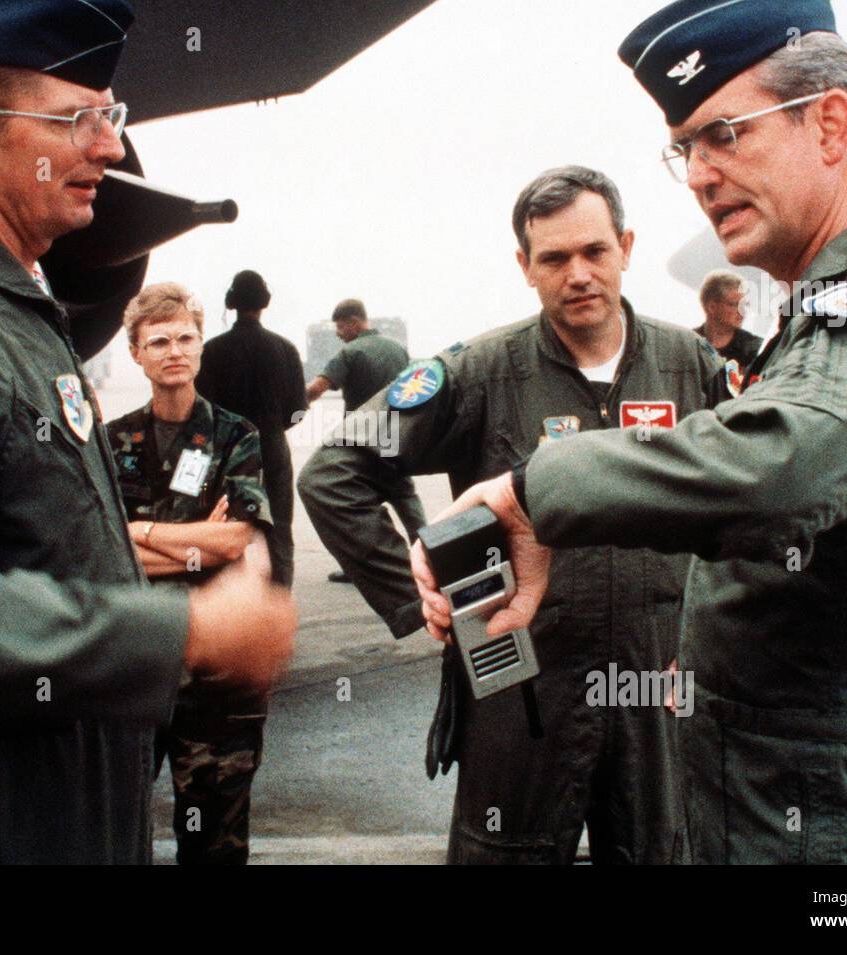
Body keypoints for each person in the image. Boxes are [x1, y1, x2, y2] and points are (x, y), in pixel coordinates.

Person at [412, 0, 847, 865]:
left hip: (829, 829)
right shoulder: (835, 315)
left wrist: (533, 488)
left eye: (726, 133)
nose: (698, 172)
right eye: (685, 145)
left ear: (830, 123)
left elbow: (776, 467)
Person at [0, 0, 294, 865]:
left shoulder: (17, 307)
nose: (110, 146)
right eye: (77, 118)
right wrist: (183, 632)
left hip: (82, 798)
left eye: (110, 115)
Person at [300, 166, 729, 864]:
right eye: (554, 258)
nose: (579, 273)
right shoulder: (479, 372)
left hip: (657, 685)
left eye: (594, 251)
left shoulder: (689, 366)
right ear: (525, 266)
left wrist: (717, 633)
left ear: (626, 245)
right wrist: (418, 594)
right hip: (521, 683)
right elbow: (333, 472)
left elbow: (738, 505)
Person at [106, 282, 274, 864]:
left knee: (215, 841)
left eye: (186, 338)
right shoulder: (110, 442)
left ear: (201, 347)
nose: (174, 350)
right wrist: (190, 539)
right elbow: (99, 551)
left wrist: (139, 532)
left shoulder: (236, 435)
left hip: (213, 662)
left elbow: (233, 541)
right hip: (133, 656)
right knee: (113, 827)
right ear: (136, 353)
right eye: (158, 341)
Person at [194, 269, 307, 587]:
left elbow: (202, 409)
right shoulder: (285, 349)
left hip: (227, 452)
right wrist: (275, 428)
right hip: (272, 447)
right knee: (280, 530)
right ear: (264, 303)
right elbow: (299, 411)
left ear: (231, 303)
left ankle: (237, 605)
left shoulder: (212, 351)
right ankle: (279, 601)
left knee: (230, 528)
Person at [303, 298, 425, 582]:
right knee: (406, 499)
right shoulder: (398, 349)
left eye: (340, 326)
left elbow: (317, 389)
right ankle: (434, 558)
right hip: (396, 437)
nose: (338, 333)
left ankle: (364, 567)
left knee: (357, 505)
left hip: (361, 442)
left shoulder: (350, 352)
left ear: (354, 322)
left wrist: (290, 407)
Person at [695, 269, 762, 366]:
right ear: (712, 307)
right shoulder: (688, 344)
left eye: (744, 305)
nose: (742, 311)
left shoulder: (756, 348)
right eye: (734, 304)